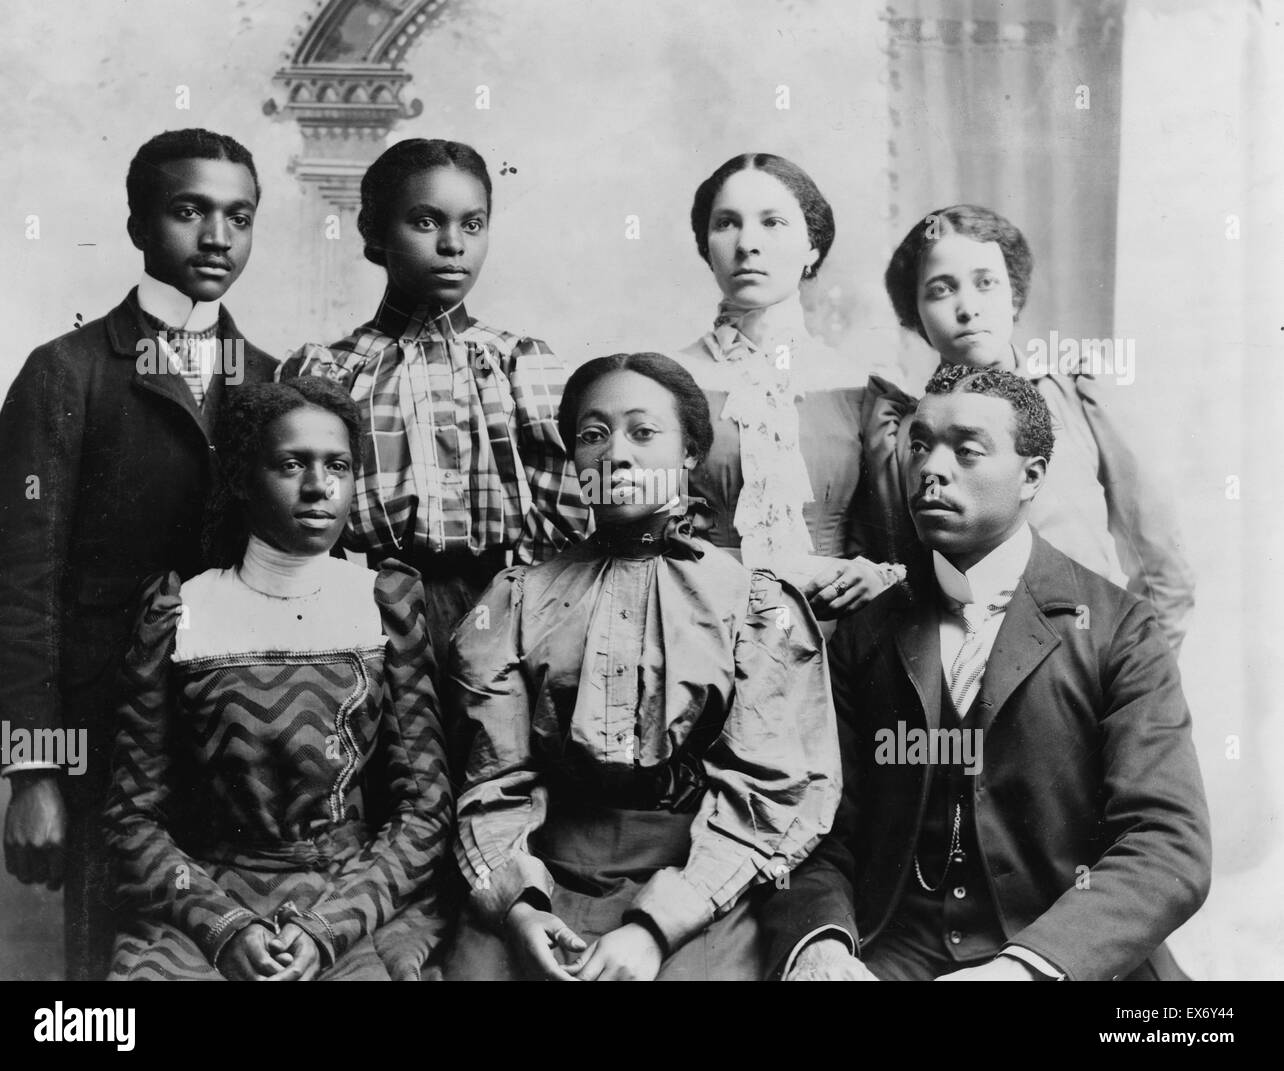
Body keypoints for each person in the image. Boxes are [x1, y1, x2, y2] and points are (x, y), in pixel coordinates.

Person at [765, 365, 1210, 981]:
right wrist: (821, 945)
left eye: (966, 450)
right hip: (894, 953)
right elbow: (818, 827)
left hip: (1065, 958)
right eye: (919, 445)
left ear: (1032, 476)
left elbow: (1167, 842)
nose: (930, 469)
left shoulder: (1118, 629)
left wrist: (1026, 968)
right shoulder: (867, 630)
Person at [443, 353, 841, 980]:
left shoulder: (752, 604)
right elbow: (493, 781)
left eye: (644, 432)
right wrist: (519, 908)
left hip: (695, 873)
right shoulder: (518, 600)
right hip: (542, 864)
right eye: (592, 435)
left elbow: (770, 788)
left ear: (690, 454)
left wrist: (656, 930)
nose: (616, 455)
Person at [0, 128, 277, 979]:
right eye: (190, 210)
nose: (218, 237)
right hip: (104, 736)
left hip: (241, 735)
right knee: (114, 962)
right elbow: (16, 580)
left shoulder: (270, 376)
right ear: (139, 224)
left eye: (240, 216)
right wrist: (32, 768)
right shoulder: (66, 372)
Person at [102, 377, 452, 980]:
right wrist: (221, 925)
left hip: (352, 900)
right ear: (241, 479)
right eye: (291, 464)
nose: (319, 487)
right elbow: (133, 818)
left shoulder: (384, 605)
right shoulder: (177, 611)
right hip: (207, 900)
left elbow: (425, 810)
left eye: (336, 465)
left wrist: (328, 926)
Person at [280, 138, 590, 663]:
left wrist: (517, 618)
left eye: (472, 224)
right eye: (426, 222)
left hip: (508, 616)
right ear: (374, 233)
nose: (453, 245)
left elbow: (565, 509)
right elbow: (304, 511)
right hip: (365, 613)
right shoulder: (330, 371)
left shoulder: (518, 362)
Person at [858, 204, 1194, 649]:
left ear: (1013, 295)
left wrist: (1139, 684)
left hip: (1083, 671)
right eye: (941, 290)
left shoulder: (1078, 397)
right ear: (915, 314)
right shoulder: (901, 434)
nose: (967, 309)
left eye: (986, 284)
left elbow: (1161, 569)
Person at [677, 153, 906, 622]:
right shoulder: (664, 383)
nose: (747, 245)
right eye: (726, 224)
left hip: (837, 641)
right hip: (701, 631)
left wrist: (882, 575)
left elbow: (905, 543)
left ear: (812, 248)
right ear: (706, 244)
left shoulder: (866, 390)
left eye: (773, 222)